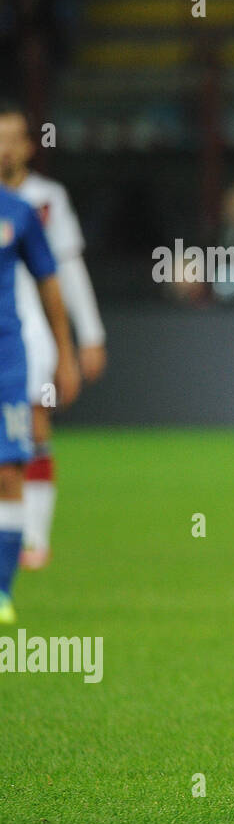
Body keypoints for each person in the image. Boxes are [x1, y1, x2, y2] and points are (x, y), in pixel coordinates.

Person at [0, 103, 103, 570]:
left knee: (34, 426)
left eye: (13, 137)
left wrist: (90, 336)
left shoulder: (45, 200)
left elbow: (66, 268)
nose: (5, 147)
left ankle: (32, 538)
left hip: (30, 328)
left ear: (28, 145)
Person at [0, 182, 79, 623]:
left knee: (10, 468)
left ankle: (2, 590)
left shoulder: (20, 211)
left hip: (7, 357)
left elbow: (52, 280)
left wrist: (66, 352)